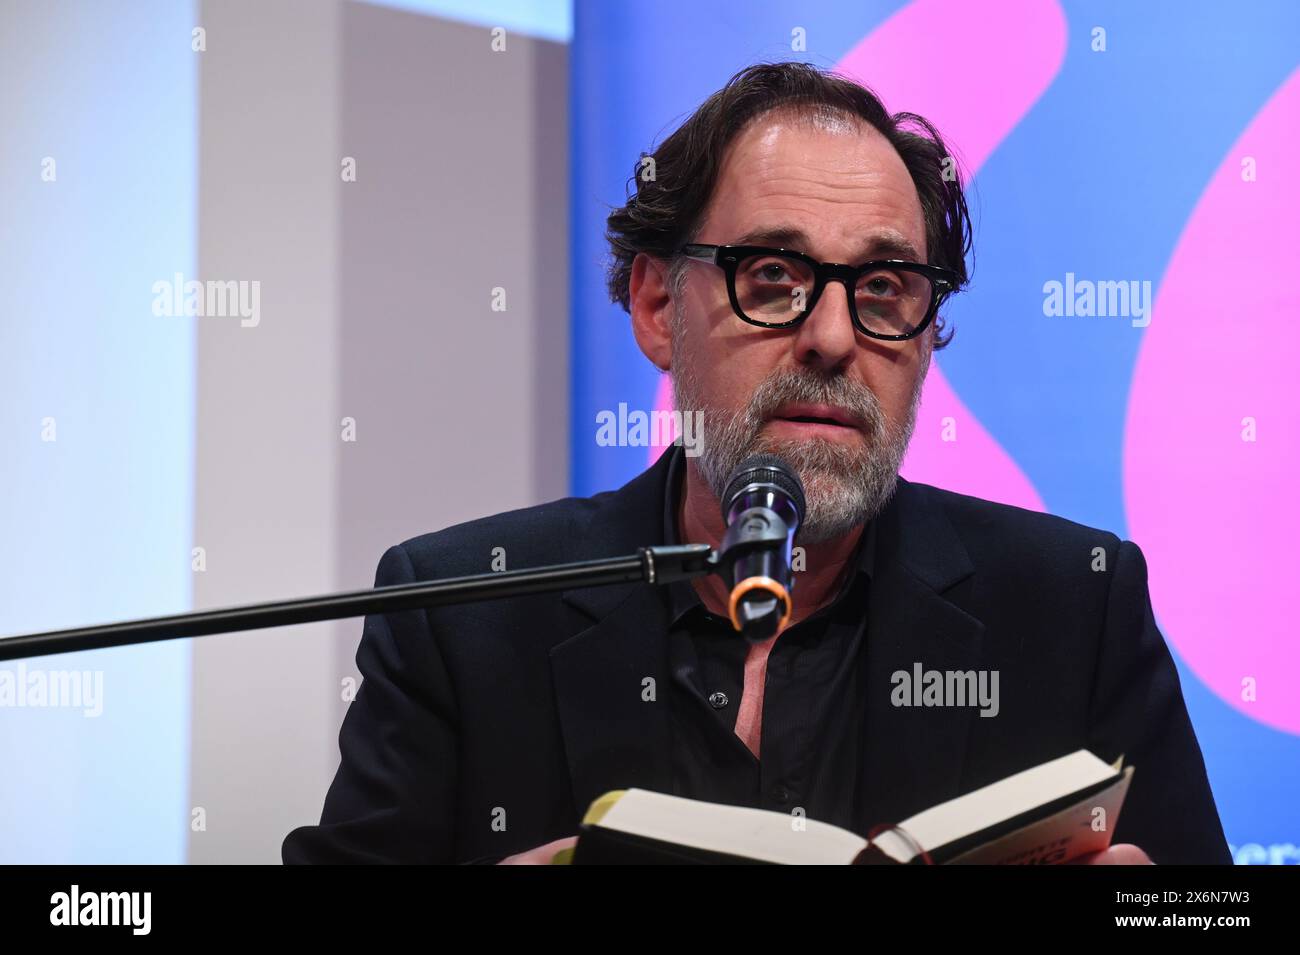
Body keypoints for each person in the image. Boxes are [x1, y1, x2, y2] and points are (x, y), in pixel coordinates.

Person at [283, 62, 1230, 865]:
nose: (830, 337)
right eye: (772, 278)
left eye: (885, 287)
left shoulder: (1074, 605)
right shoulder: (463, 614)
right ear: (658, 307)